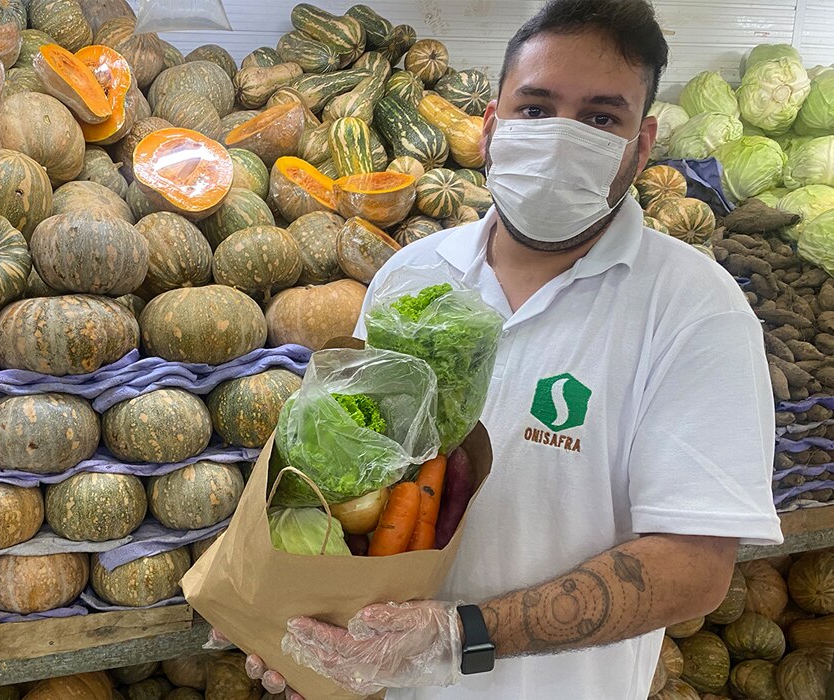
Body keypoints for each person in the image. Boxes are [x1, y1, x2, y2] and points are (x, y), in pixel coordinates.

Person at [230, 0, 784, 697]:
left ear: (641, 147)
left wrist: (458, 636)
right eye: (536, 108)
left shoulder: (696, 310)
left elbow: (694, 569)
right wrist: (286, 601)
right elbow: (359, 482)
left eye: (600, 118)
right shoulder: (412, 274)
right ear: (490, 125)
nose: (560, 137)